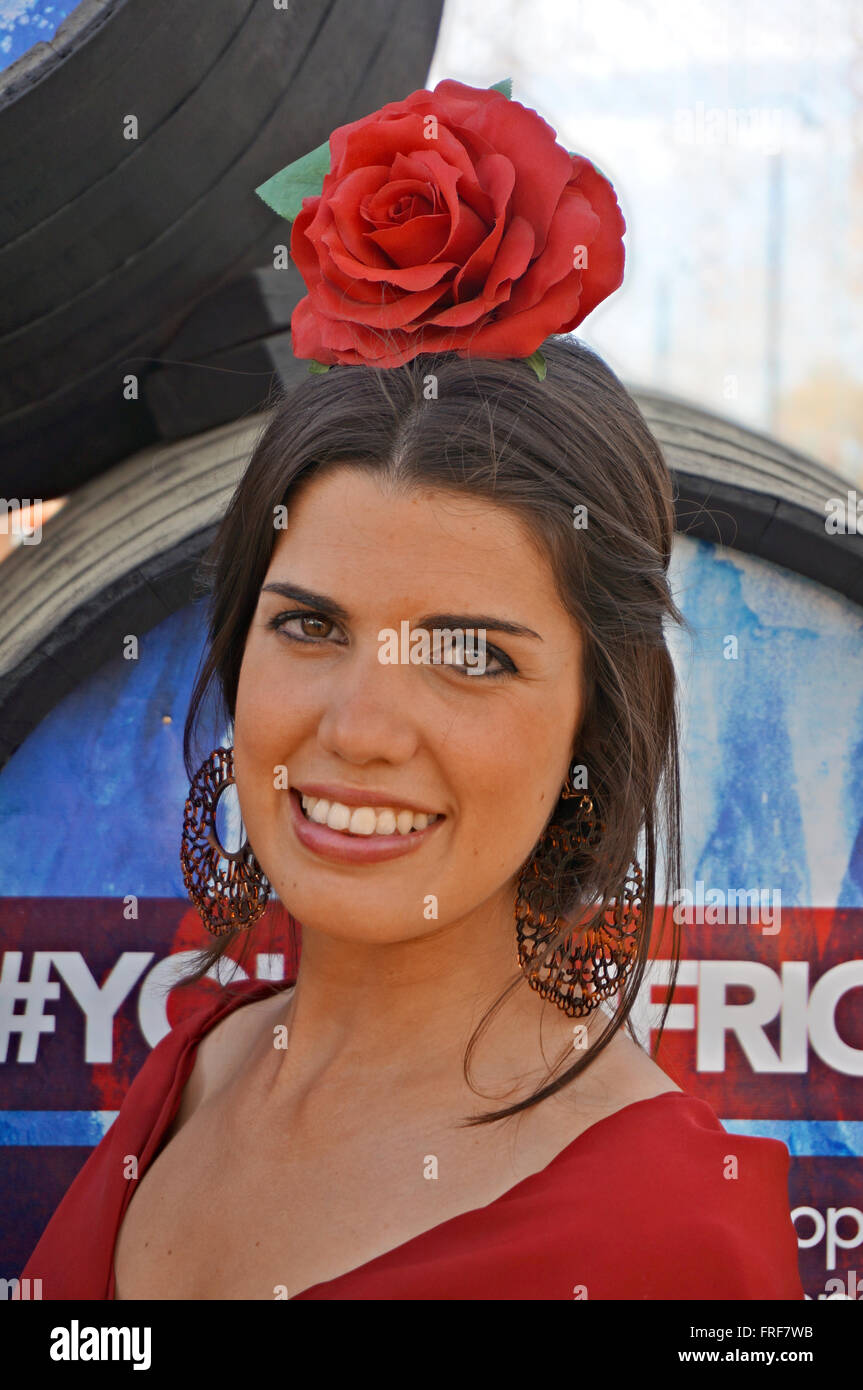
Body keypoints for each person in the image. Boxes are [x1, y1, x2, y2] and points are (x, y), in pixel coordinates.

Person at [20, 79, 804, 1301]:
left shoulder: (668, 1241)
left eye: (471, 652)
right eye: (311, 625)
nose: (361, 727)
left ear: (596, 718)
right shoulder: (204, 1059)